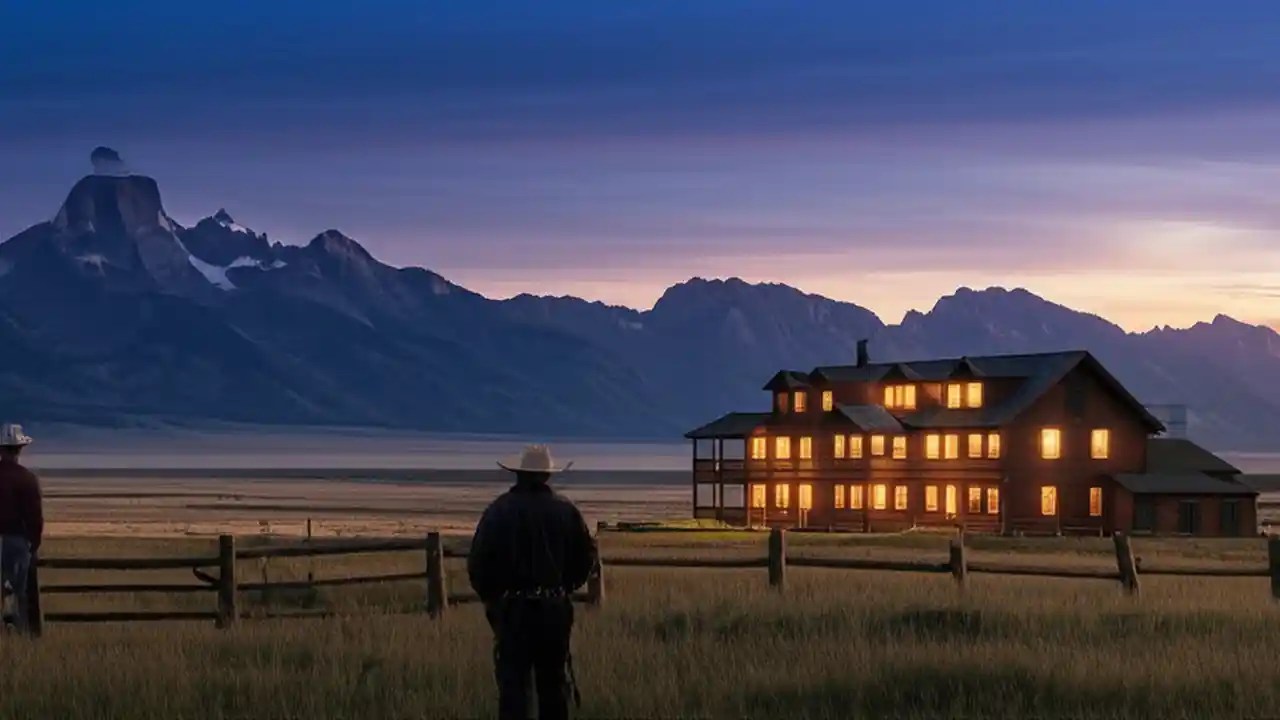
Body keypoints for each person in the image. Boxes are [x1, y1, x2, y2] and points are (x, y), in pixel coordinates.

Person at [468, 444, 597, 720]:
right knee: (553, 684)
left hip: (513, 610)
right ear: (548, 476)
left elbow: (478, 565)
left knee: (514, 688)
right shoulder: (566, 511)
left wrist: (495, 602)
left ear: (518, 474)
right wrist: (562, 590)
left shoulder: (498, 511)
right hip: (554, 609)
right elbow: (585, 560)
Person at [0, 424, 41, 632]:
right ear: (19, 449)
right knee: (19, 592)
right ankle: (22, 634)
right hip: (16, 542)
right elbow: (35, 517)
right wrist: (33, 544)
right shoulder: (27, 479)